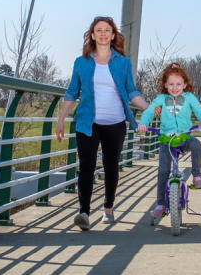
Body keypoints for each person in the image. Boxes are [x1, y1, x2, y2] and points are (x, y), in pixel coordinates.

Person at [55, 16, 149, 231]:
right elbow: (72, 91)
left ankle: (107, 208)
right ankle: (84, 213)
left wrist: (147, 107)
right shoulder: (82, 62)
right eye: (99, 30)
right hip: (88, 122)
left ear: (113, 35)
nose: (103, 33)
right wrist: (61, 120)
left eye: (107, 30)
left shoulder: (123, 63)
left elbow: (131, 91)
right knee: (87, 165)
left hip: (115, 122)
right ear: (93, 35)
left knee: (110, 165)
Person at [137, 62, 201, 222]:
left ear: (185, 84)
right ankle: (160, 204)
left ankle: (197, 176)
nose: (175, 87)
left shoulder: (189, 98)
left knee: (196, 144)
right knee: (163, 171)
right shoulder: (161, 98)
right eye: (171, 84)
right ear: (165, 84)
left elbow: (199, 110)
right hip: (166, 140)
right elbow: (150, 111)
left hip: (184, 137)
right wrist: (143, 123)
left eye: (178, 84)